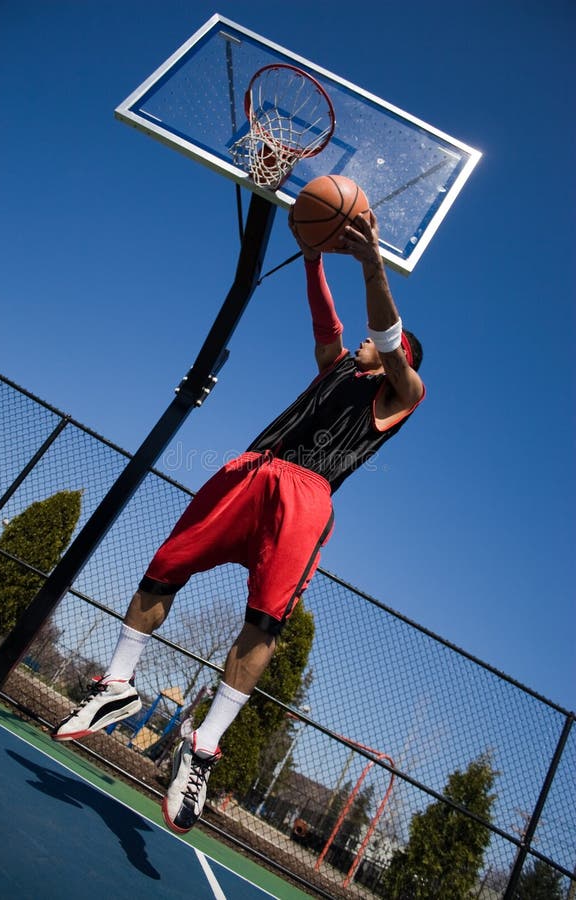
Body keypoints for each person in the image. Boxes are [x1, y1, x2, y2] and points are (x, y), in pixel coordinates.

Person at [52, 208, 425, 834]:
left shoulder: (400, 393)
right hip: (254, 470)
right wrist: (311, 257)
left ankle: (203, 746)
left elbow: (386, 335)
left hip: (306, 500)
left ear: (400, 356)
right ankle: (117, 683)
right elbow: (324, 323)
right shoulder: (337, 368)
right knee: (165, 568)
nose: (368, 337)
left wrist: (372, 265)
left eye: (385, 339)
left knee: (264, 624)